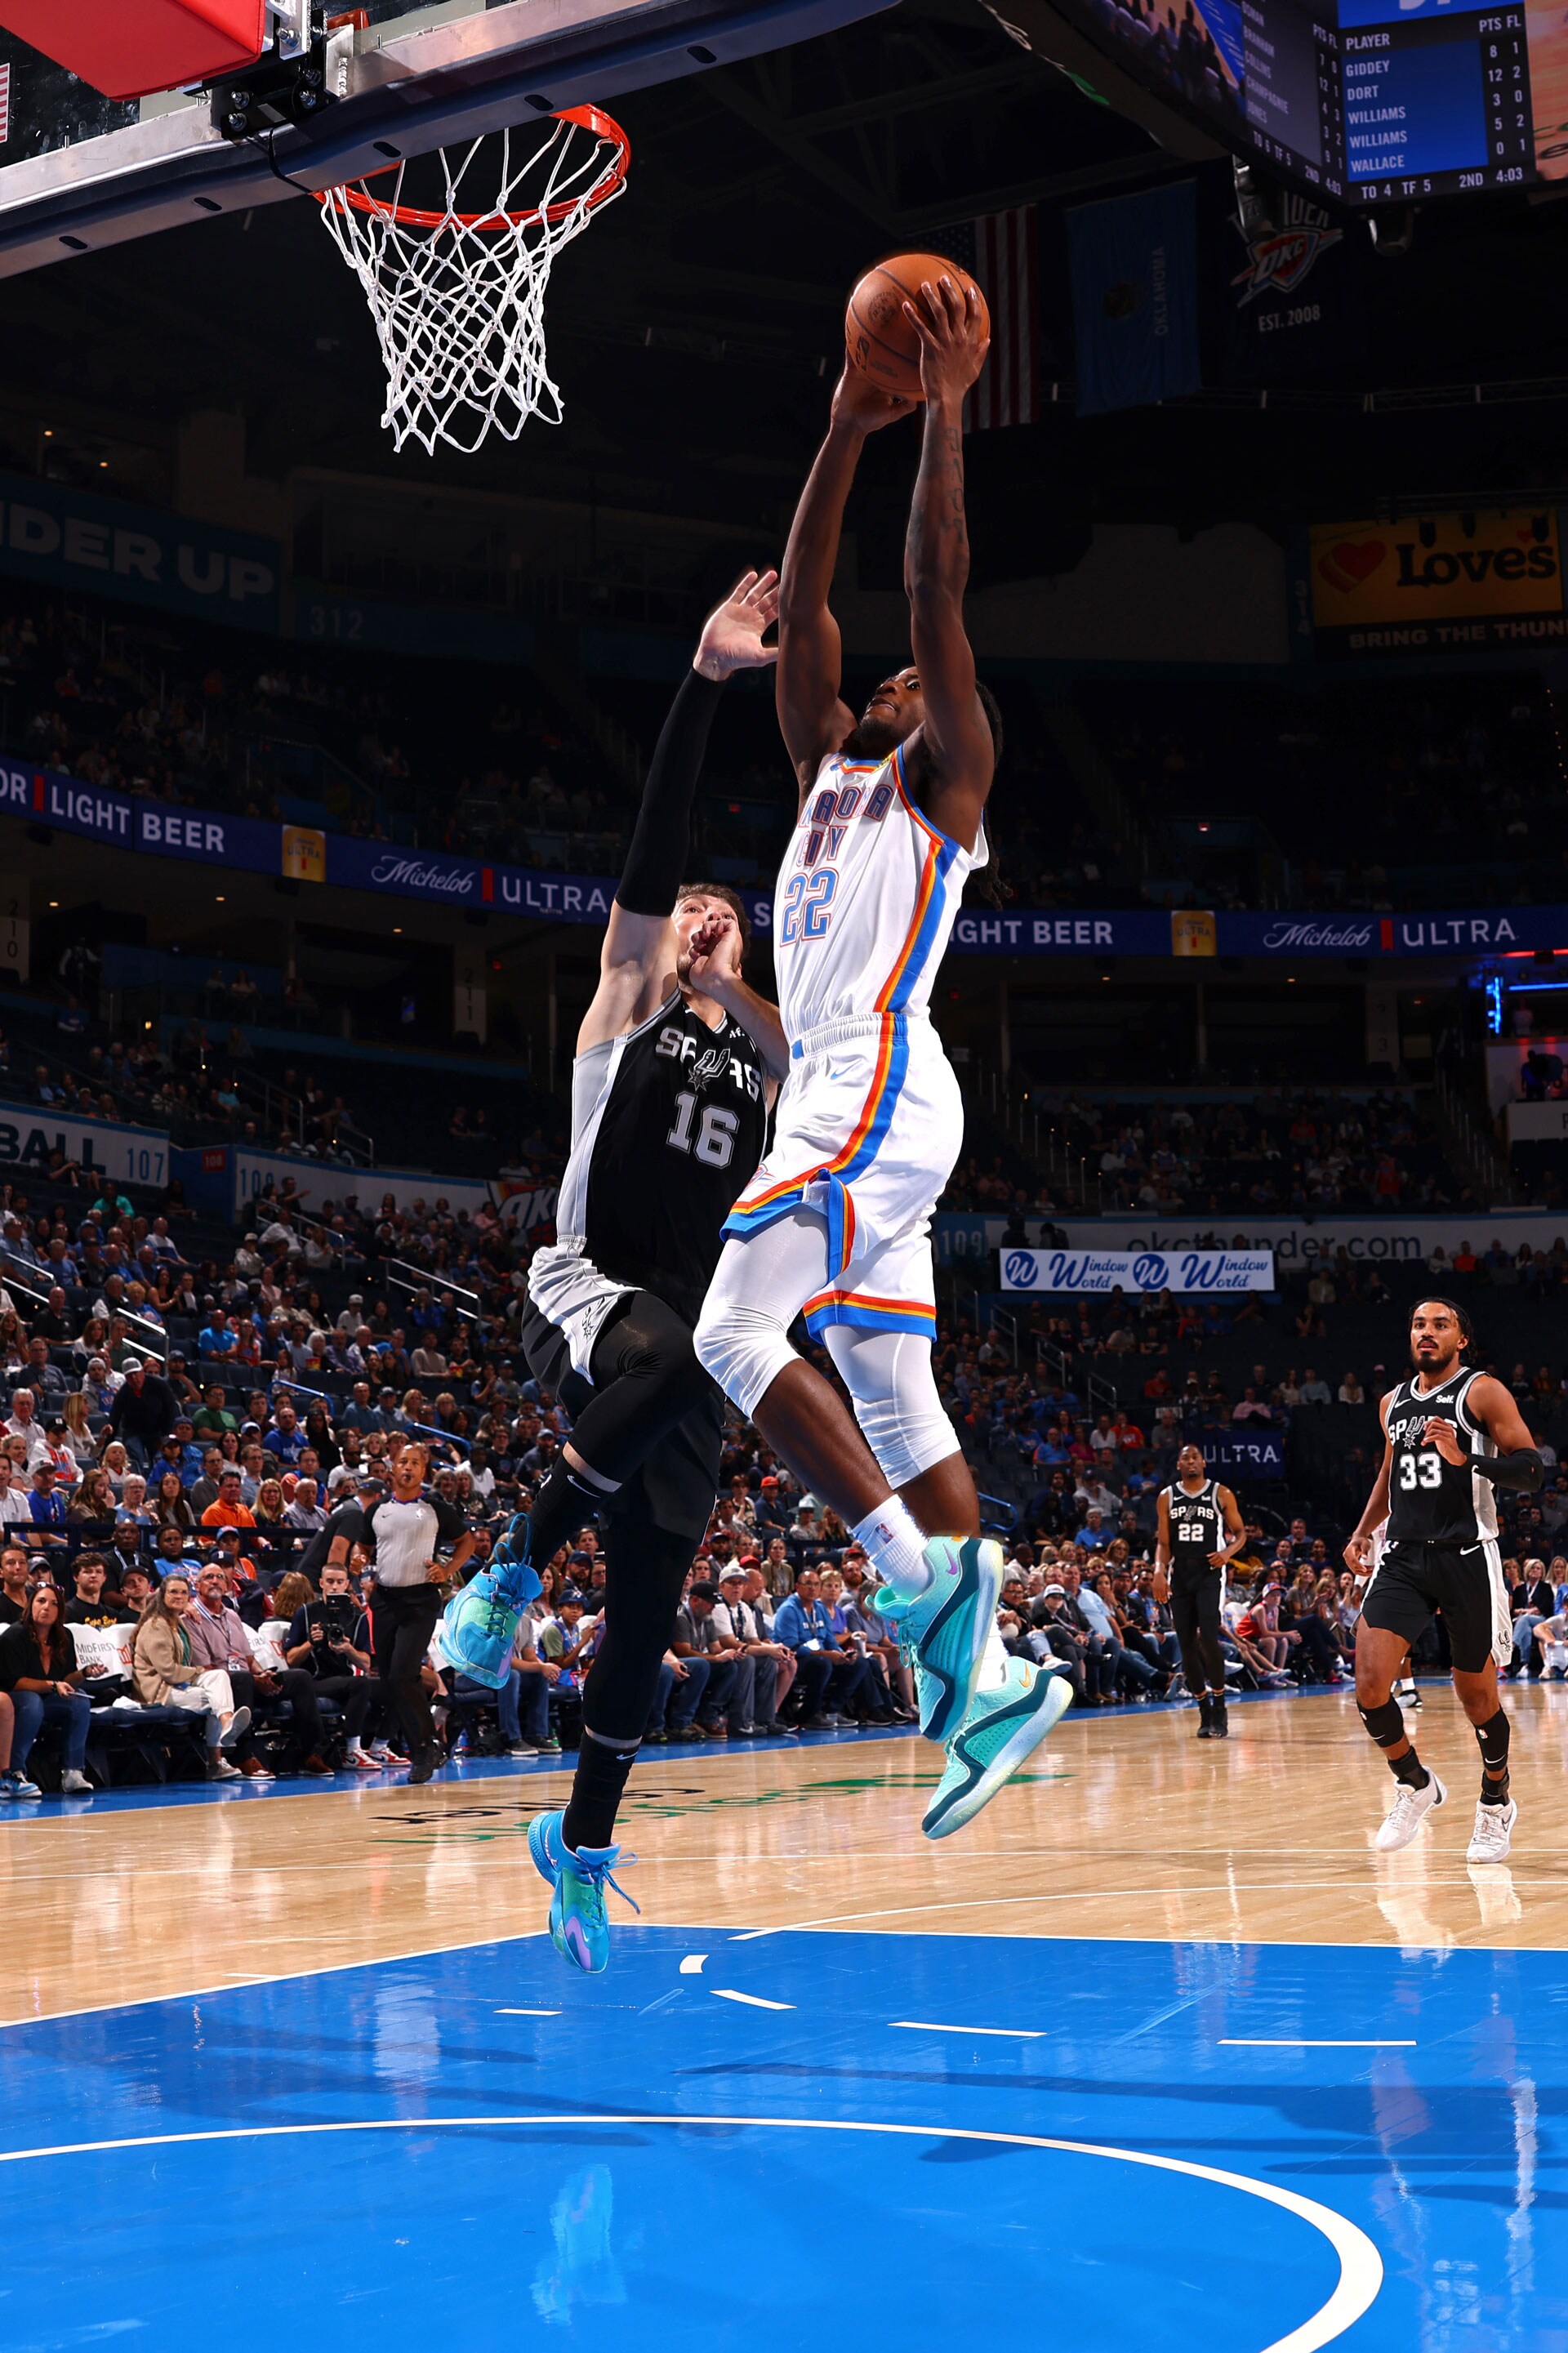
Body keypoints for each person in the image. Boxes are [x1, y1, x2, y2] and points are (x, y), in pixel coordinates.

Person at [693, 279, 1069, 1845]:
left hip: (877, 1084)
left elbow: (927, 583)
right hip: (849, 1096)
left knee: (729, 1330)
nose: (907, 683)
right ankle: (997, 1680)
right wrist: (847, 419)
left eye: (928, 681)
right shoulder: (821, 768)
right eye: (894, 684)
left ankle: (944, 1629)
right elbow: (815, 599)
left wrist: (948, 414)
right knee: (899, 1406)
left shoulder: (946, 780)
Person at [438, 574, 785, 1972]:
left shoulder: (768, 1063)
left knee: (646, 1615)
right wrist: (704, 681)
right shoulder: (624, 1003)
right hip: (590, 1292)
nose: (698, 919)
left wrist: (733, 986)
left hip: (691, 1350)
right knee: (660, 1346)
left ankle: (578, 1850)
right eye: (684, 913)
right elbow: (652, 865)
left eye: (722, 914)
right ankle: (510, 1573)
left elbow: (803, 1055)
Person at [1344, 1298, 1543, 1864]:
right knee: (1370, 1681)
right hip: (1403, 1555)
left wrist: (1468, 1459)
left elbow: (1532, 1469)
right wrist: (1364, 1530)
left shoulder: (1482, 1391)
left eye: (1440, 1324)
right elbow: (1390, 1471)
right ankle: (1414, 1781)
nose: (1426, 1332)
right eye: (1418, 1324)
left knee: (1476, 1697)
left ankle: (1496, 1801)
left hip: (1466, 1553)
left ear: (1461, 1338)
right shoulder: (1391, 1402)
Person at [365, 1442, 475, 1784]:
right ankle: (427, 1746)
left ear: (423, 1471)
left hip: (420, 1602)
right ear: (392, 1468)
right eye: (403, 1461)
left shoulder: (435, 1507)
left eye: (415, 1462)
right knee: (391, 1680)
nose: (408, 1467)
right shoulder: (377, 1509)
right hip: (383, 1600)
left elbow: (467, 1542)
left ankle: (424, 1746)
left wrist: (448, 1569)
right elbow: (364, 1545)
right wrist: (358, 1559)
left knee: (402, 1674)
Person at [1154, 1443, 1247, 1740]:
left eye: (1195, 1457)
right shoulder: (1166, 1497)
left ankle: (1220, 1706)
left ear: (1203, 1462)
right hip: (1180, 1572)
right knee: (1186, 1645)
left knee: (1208, 1636)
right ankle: (1203, 1708)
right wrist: (1158, 1570)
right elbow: (1164, 1543)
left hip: (1209, 1572)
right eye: (1185, 1457)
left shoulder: (1221, 1493)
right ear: (1178, 1464)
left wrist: (1228, 1553)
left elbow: (1241, 1533)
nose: (1190, 1461)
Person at [130, 1573, 247, 1777]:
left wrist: (200, 1674)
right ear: (162, 1595)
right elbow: (169, 1672)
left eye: (184, 1592)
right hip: (160, 1690)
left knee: (219, 1676)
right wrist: (199, 1671)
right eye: (173, 1591)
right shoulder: (156, 1627)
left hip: (180, 1684)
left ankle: (227, 1721)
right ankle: (215, 1762)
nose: (179, 1596)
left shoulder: (178, 1622)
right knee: (215, 1699)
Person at [0, 1584, 95, 1794]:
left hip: (47, 1697)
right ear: (30, 1605)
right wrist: (52, 1685)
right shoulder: (14, 1636)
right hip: (14, 1698)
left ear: (60, 1611)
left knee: (78, 1702)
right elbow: (12, 1682)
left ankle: (73, 1772)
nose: (47, 1608)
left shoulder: (64, 1636)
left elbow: (66, 1679)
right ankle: (14, 1772)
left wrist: (84, 1673)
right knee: (32, 1702)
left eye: (54, 1604)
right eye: (41, 1601)